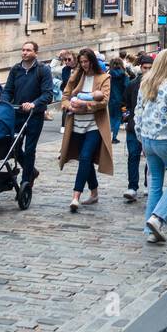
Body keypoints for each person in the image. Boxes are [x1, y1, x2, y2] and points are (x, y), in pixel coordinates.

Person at [134, 50, 167, 242]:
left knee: (155, 181)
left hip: (148, 140)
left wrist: (140, 137)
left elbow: (137, 114)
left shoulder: (146, 83)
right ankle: (158, 218)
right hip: (166, 142)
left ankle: (151, 230)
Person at [60, 49, 112, 212]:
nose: (84, 65)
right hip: (76, 124)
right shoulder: (76, 77)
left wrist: (86, 104)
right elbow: (65, 98)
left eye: (86, 62)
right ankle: (94, 192)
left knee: (85, 157)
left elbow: (104, 101)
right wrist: (71, 106)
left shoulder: (104, 77)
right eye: (81, 62)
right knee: (85, 160)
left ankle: (76, 196)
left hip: (94, 125)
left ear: (92, 61)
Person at [5, 41, 53, 188]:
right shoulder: (16, 69)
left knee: (30, 148)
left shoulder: (42, 70)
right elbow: (8, 90)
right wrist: (4, 103)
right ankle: (31, 171)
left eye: (28, 50)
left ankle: (26, 180)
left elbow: (48, 94)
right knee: (14, 147)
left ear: (35, 53)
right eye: (23, 50)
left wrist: (34, 103)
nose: (25, 52)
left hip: (34, 115)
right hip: (17, 113)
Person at [120, 54, 152, 202]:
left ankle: (148, 184)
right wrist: (127, 118)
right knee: (133, 155)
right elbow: (124, 103)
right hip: (134, 127)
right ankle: (132, 187)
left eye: (150, 68)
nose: (148, 71)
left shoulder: (157, 85)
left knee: (150, 157)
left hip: (150, 127)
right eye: (145, 68)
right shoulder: (133, 84)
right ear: (141, 68)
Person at [107, 57, 127, 145]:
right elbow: (127, 86)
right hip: (120, 99)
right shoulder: (124, 75)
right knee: (118, 117)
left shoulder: (108, 74)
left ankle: (108, 136)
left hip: (110, 98)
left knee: (111, 117)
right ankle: (114, 137)